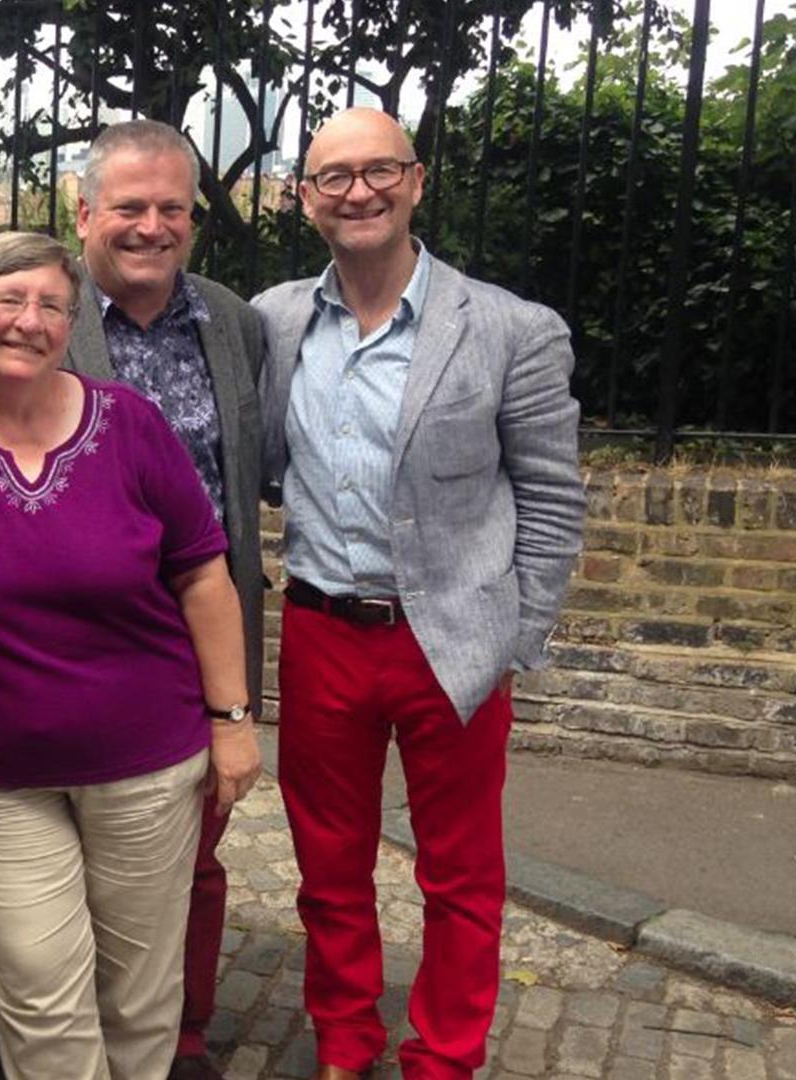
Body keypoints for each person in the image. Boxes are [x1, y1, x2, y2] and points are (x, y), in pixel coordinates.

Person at [253, 107, 586, 1080]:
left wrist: (517, 633)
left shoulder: (511, 330)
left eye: (379, 170)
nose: (358, 190)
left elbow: (553, 497)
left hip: (452, 635)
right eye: (333, 177)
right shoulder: (273, 322)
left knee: (462, 873)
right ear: (305, 199)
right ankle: (345, 1042)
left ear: (418, 180)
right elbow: (264, 462)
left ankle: (444, 1055)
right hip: (321, 629)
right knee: (328, 864)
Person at [0, 229, 262, 1080]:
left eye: (52, 305)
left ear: (72, 320)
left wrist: (232, 720)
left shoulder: (128, 423)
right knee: (38, 983)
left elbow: (205, 573)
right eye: (9, 300)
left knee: (138, 994)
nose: (30, 321)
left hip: (144, 763)